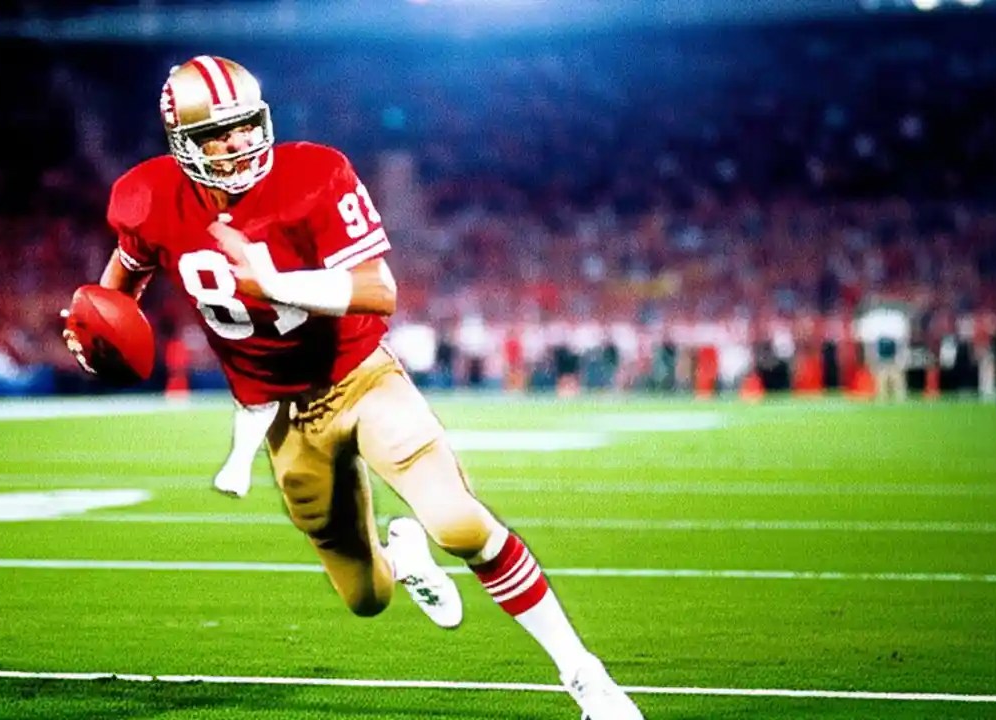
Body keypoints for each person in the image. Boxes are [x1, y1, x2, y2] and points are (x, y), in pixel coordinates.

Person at [64, 55, 643, 719]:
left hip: (361, 377)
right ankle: (405, 558)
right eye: (217, 134)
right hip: (283, 418)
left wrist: (277, 283)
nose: (238, 143)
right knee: (366, 596)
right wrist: (95, 335)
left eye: (246, 125)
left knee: (457, 522)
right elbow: (118, 288)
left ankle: (584, 675)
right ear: (181, 144)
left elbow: (378, 291)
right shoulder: (148, 198)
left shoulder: (314, 174)